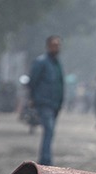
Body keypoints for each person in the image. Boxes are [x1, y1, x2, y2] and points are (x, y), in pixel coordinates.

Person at [27, 35, 64, 166]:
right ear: (48, 46)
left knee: (50, 130)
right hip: (44, 102)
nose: (56, 48)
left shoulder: (57, 64)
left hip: (55, 103)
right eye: (54, 45)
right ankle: (45, 160)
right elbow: (33, 81)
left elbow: (60, 83)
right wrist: (32, 98)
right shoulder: (41, 62)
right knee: (48, 129)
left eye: (58, 45)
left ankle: (45, 158)